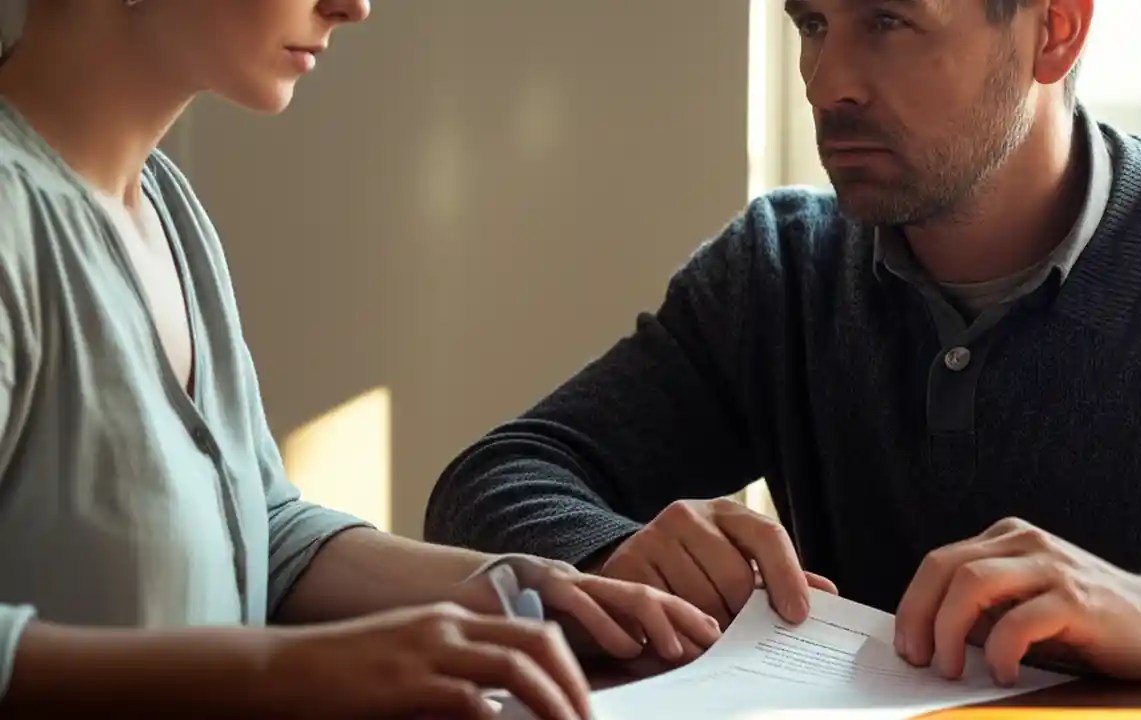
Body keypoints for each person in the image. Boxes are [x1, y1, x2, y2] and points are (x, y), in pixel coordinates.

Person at [425, 0, 1141, 687]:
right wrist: (612, 551)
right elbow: (492, 479)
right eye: (812, 24)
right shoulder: (782, 270)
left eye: (887, 21)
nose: (827, 83)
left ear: (1053, 30)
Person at [0, 1, 723, 717]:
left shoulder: (165, 206)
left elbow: (264, 529)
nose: (354, 7)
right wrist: (289, 670)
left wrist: (521, 588)